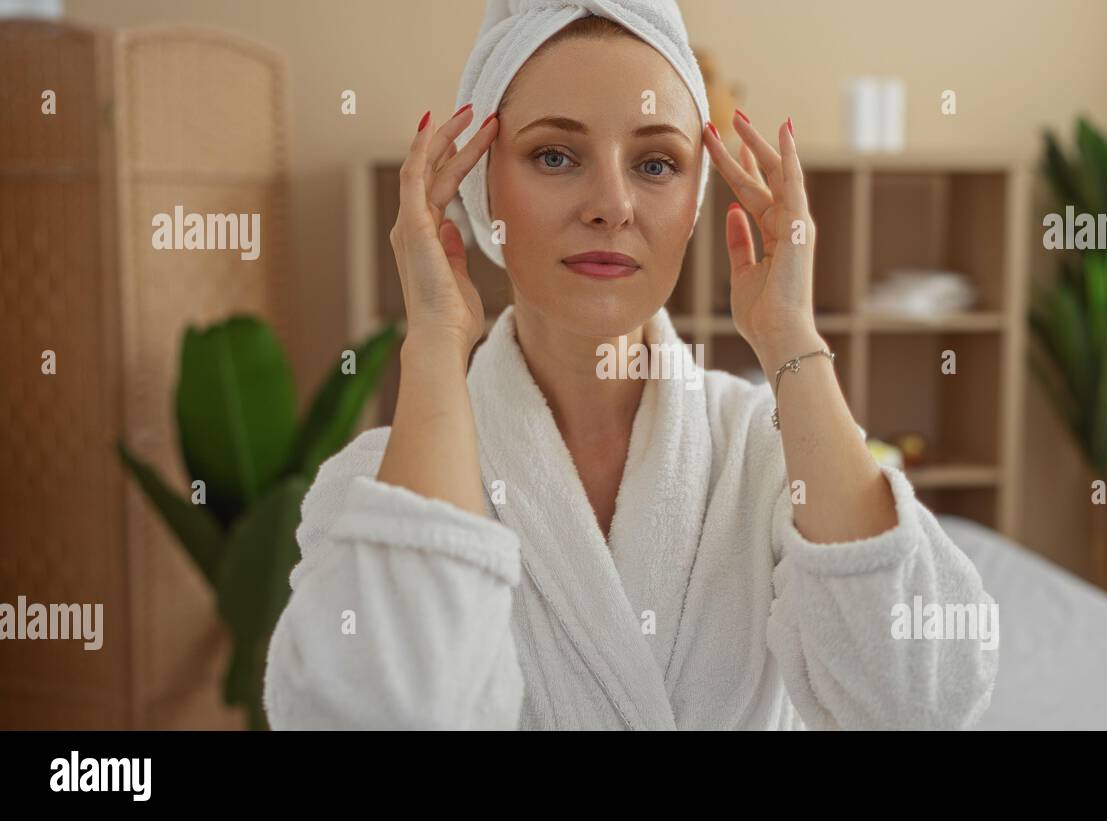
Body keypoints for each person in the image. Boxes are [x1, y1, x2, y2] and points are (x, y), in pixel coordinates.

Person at [263, 0, 998, 730]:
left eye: (655, 163)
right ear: (482, 187)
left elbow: (921, 704)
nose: (612, 205)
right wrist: (433, 338)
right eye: (555, 156)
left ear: (695, 199)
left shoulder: (769, 452)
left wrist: (790, 338)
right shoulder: (377, 485)